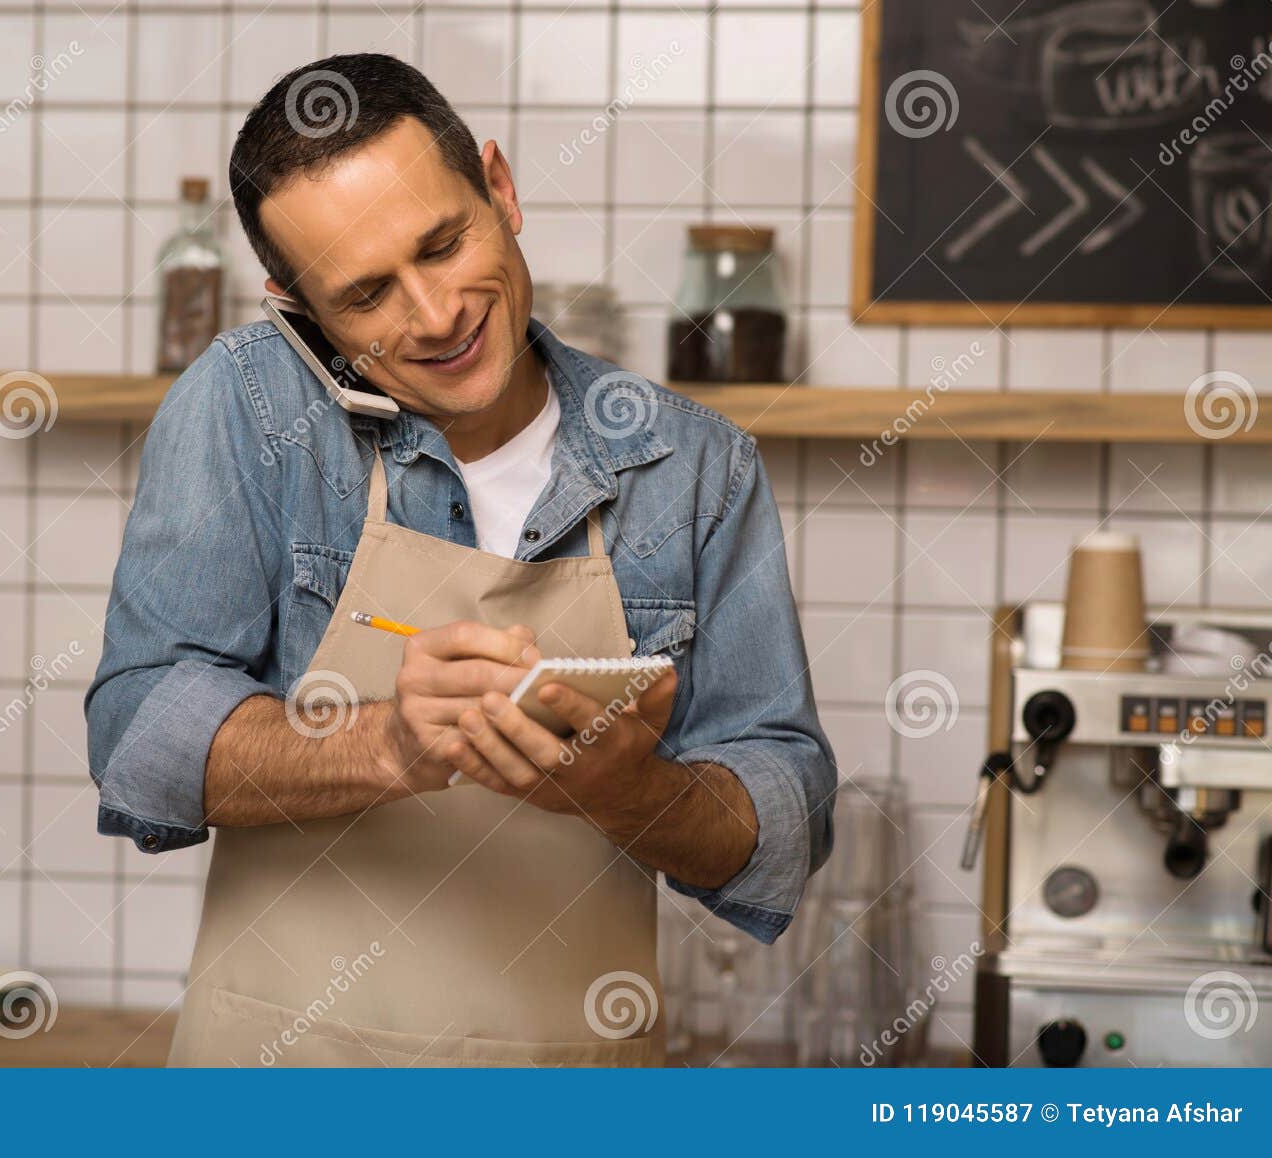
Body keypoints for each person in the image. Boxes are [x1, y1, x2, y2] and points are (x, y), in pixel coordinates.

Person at [85, 53, 836, 1067]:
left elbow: (784, 820)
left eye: (443, 245)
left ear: (499, 185)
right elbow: (137, 739)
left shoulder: (692, 465)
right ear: (293, 300)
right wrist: (392, 745)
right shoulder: (247, 409)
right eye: (364, 296)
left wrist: (627, 792)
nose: (435, 316)